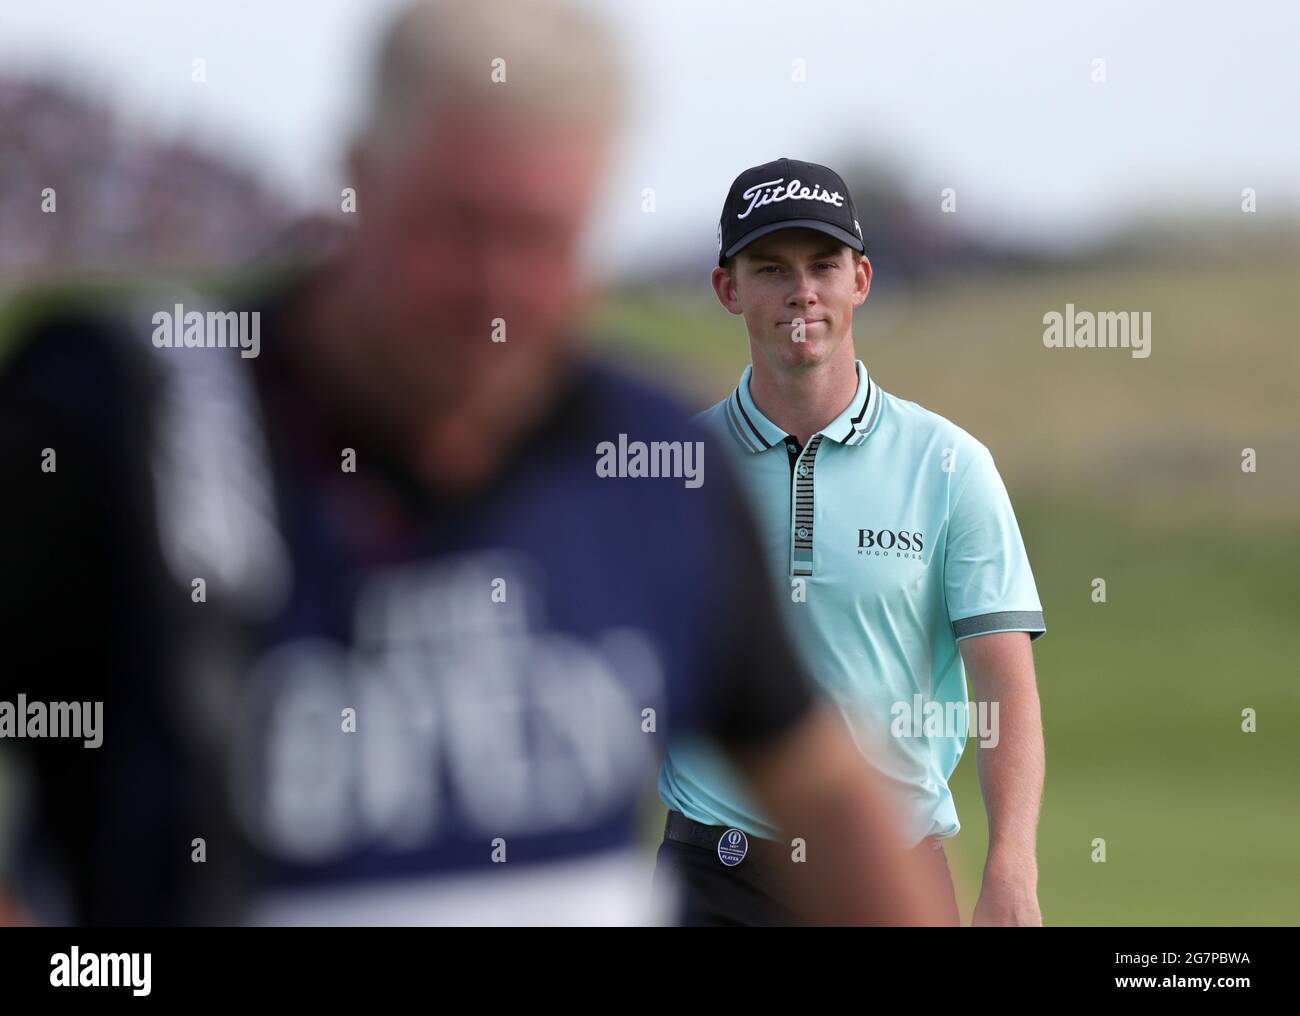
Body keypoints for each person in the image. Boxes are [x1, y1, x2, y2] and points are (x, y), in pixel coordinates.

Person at [0, 3, 939, 927]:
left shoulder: (653, 465)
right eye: (457, 226)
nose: (496, 286)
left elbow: (817, 780)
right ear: (360, 180)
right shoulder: (131, 418)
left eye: (543, 238)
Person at [656, 157, 1048, 926]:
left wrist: (1012, 870)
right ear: (728, 289)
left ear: (860, 280)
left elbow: (1005, 687)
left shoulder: (949, 465)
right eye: (770, 268)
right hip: (715, 874)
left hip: (892, 874)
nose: (801, 291)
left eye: (823, 266)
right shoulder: (677, 470)